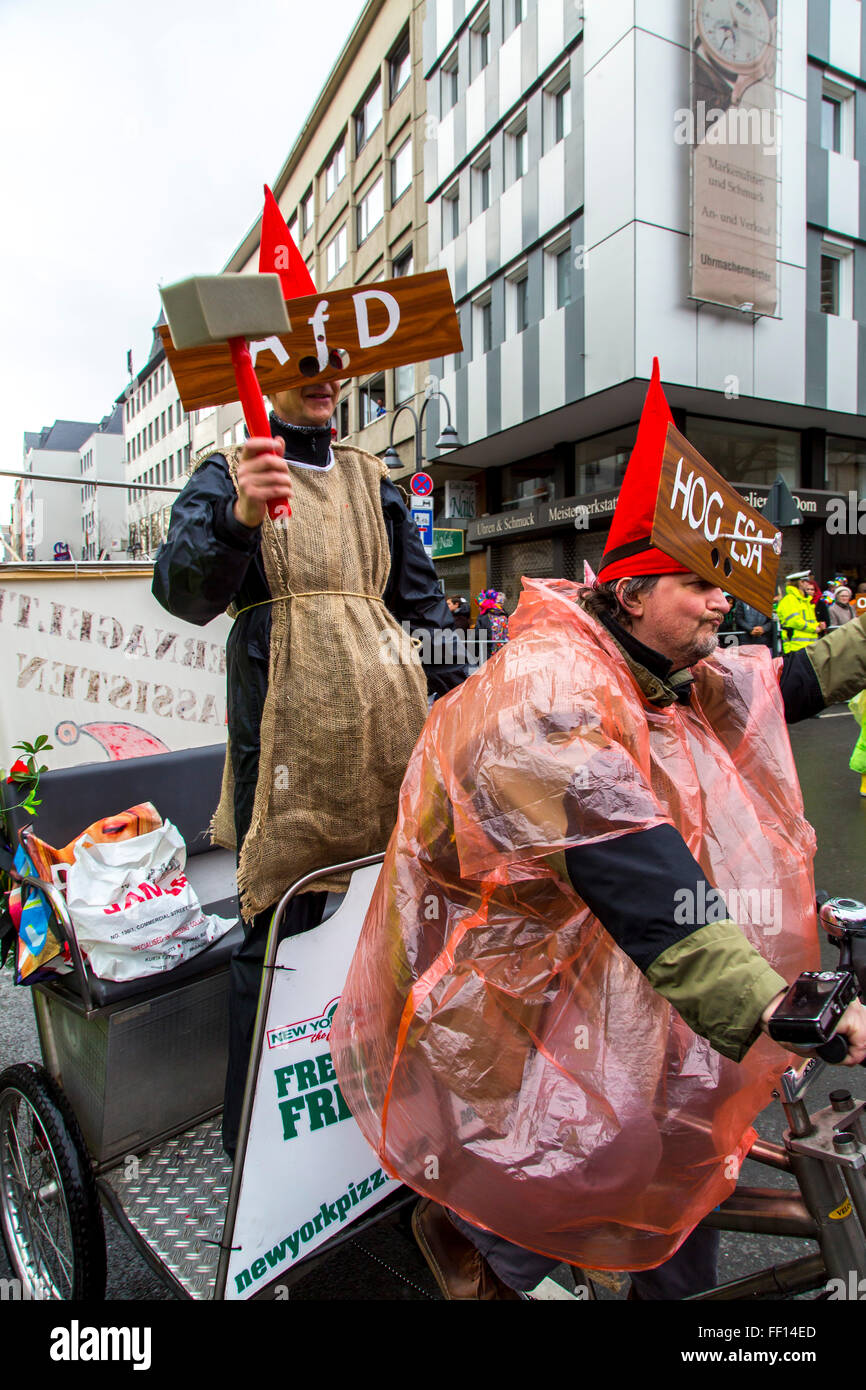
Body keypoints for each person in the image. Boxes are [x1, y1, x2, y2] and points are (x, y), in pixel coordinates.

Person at [331, 361, 866, 1299]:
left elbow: (784, 687)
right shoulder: (548, 695)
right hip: (502, 1003)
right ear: (629, 594)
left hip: (607, 975)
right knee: (545, 1179)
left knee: (680, 1170)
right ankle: (481, 1253)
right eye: (696, 584)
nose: (720, 603)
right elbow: (643, 878)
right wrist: (774, 1004)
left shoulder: (666, 669)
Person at [153, 379, 467, 1156]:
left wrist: (493, 693)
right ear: (264, 372)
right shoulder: (227, 469)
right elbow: (181, 591)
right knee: (281, 917)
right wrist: (238, 518)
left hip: (387, 729)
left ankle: (367, 1120)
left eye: (336, 363)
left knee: (385, 916)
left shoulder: (373, 480)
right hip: (285, 727)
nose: (327, 378)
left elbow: (423, 613)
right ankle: (257, 1144)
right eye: (304, 361)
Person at [776, 570, 822, 652]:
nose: (809, 584)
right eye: (807, 582)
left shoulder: (805, 601)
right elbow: (794, 621)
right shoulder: (789, 599)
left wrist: (818, 625)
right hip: (795, 647)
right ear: (801, 582)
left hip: (808, 647)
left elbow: (809, 621)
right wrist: (814, 628)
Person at [474, 588, 509, 661]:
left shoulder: (484, 616)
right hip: (504, 653)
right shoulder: (505, 616)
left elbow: (478, 635)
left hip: (488, 654)